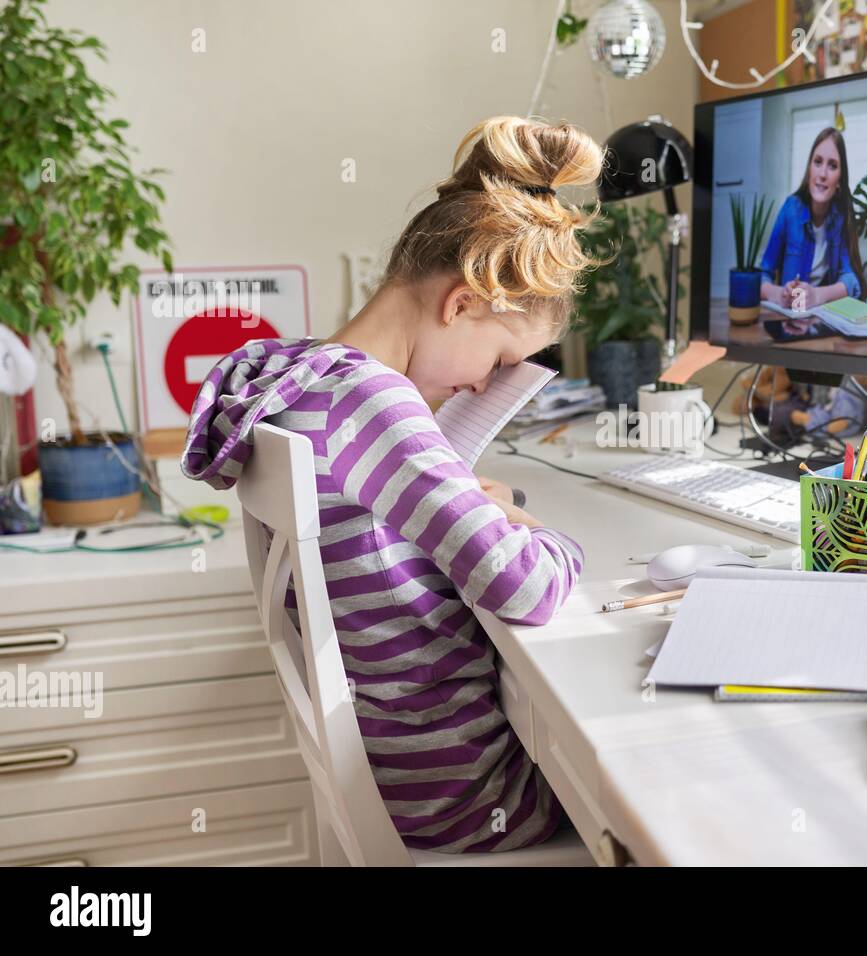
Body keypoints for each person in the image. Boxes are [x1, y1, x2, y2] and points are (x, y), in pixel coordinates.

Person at [182, 116, 600, 853]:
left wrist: (471, 502)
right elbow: (526, 588)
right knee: (650, 791)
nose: (485, 384)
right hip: (469, 798)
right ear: (464, 301)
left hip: (399, 776)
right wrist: (544, 535)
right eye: (502, 360)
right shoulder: (371, 403)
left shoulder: (296, 377)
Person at [759, 127, 866, 313]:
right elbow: (762, 275)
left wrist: (816, 295)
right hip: (789, 319)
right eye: (817, 162)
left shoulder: (842, 216)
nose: (823, 174)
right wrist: (779, 294)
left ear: (840, 179)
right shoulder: (790, 209)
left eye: (832, 166)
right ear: (809, 169)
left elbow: (851, 279)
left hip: (823, 320)